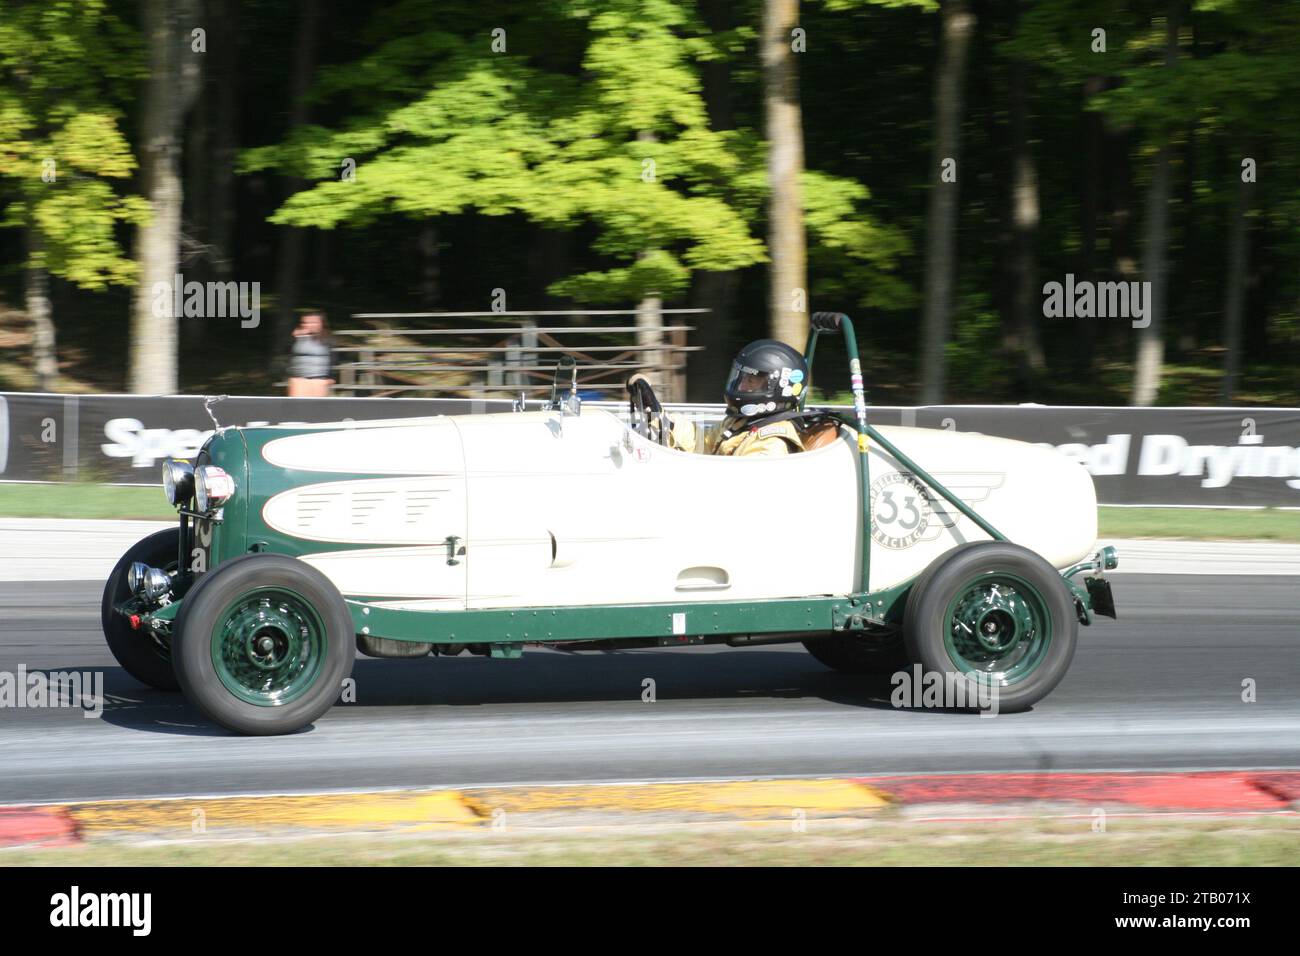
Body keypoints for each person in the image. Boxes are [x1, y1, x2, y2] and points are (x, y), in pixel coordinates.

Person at [628, 339, 811, 457]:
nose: (741, 386)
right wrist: (657, 415)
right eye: (742, 378)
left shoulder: (773, 443)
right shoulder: (739, 423)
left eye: (752, 381)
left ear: (776, 389)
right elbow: (702, 444)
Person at [287, 312, 335, 397]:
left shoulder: (327, 339)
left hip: (319, 380)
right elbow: (287, 355)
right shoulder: (297, 337)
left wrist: (331, 377)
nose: (310, 325)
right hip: (299, 379)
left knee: (316, 407)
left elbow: (333, 359)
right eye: (306, 322)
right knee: (297, 407)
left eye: (314, 322)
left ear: (321, 323)